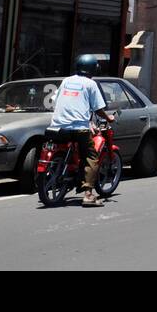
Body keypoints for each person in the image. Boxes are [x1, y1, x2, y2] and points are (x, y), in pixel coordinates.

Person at [49, 54, 113, 207]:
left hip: (57, 127)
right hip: (79, 129)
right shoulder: (90, 84)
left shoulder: (66, 81)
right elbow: (98, 109)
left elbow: (54, 100)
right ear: (92, 68)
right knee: (91, 156)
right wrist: (108, 118)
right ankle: (88, 195)